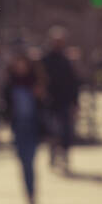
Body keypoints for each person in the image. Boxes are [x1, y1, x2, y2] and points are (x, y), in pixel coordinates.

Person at [4, 51, 46, 204]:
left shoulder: (35, 83)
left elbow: (44, 105)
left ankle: (32, 194)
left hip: (33, 127)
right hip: (19, 128)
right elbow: (5, 108)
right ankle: (29, 195)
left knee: (30, 162)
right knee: (24, 163)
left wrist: (40, 96)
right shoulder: (10, 84)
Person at [41, 27, 80, 174]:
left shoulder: (67, 61)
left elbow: (74, 83)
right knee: (52, 131)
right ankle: (52, 154)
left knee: (66, 131)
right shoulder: (45, 60)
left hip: (65, 101)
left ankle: (64, 154)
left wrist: (75, 102)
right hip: (50, 101)